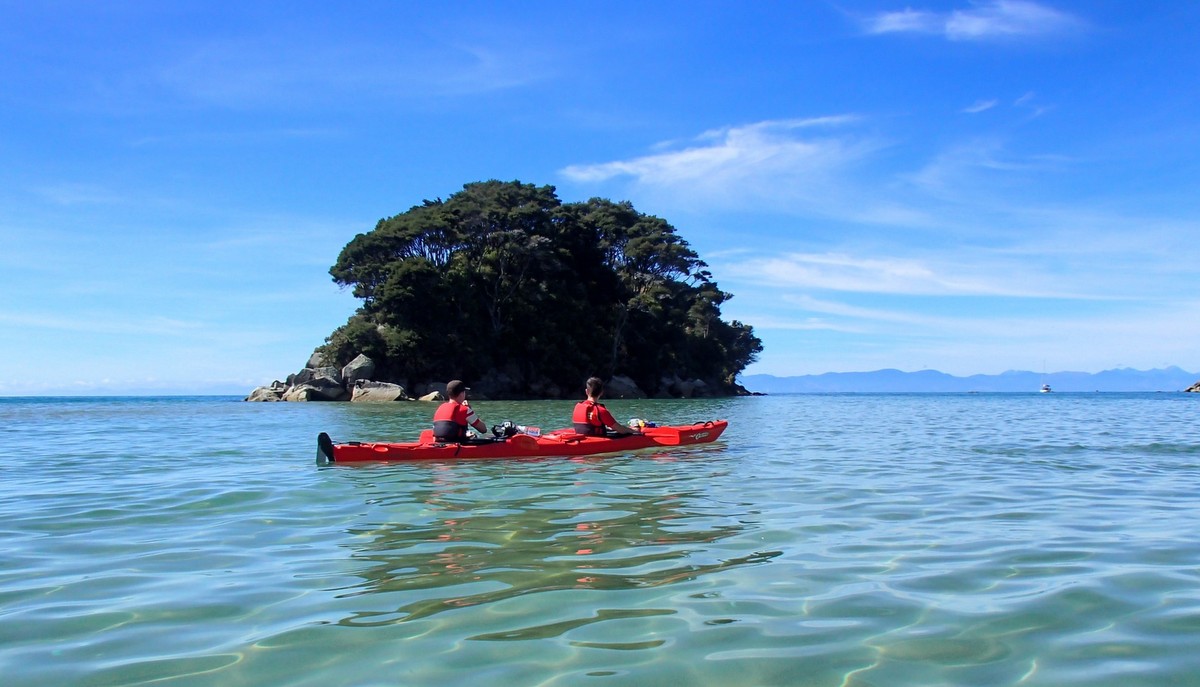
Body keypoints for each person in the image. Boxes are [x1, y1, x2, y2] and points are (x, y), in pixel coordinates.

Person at [572, 377, 638, 436]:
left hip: (582, 437)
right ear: (601, 393)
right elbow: (620, 429)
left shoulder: (577, 406)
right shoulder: (600, 411)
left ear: (586, 391)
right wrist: (633, 430)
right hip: (595, 441)